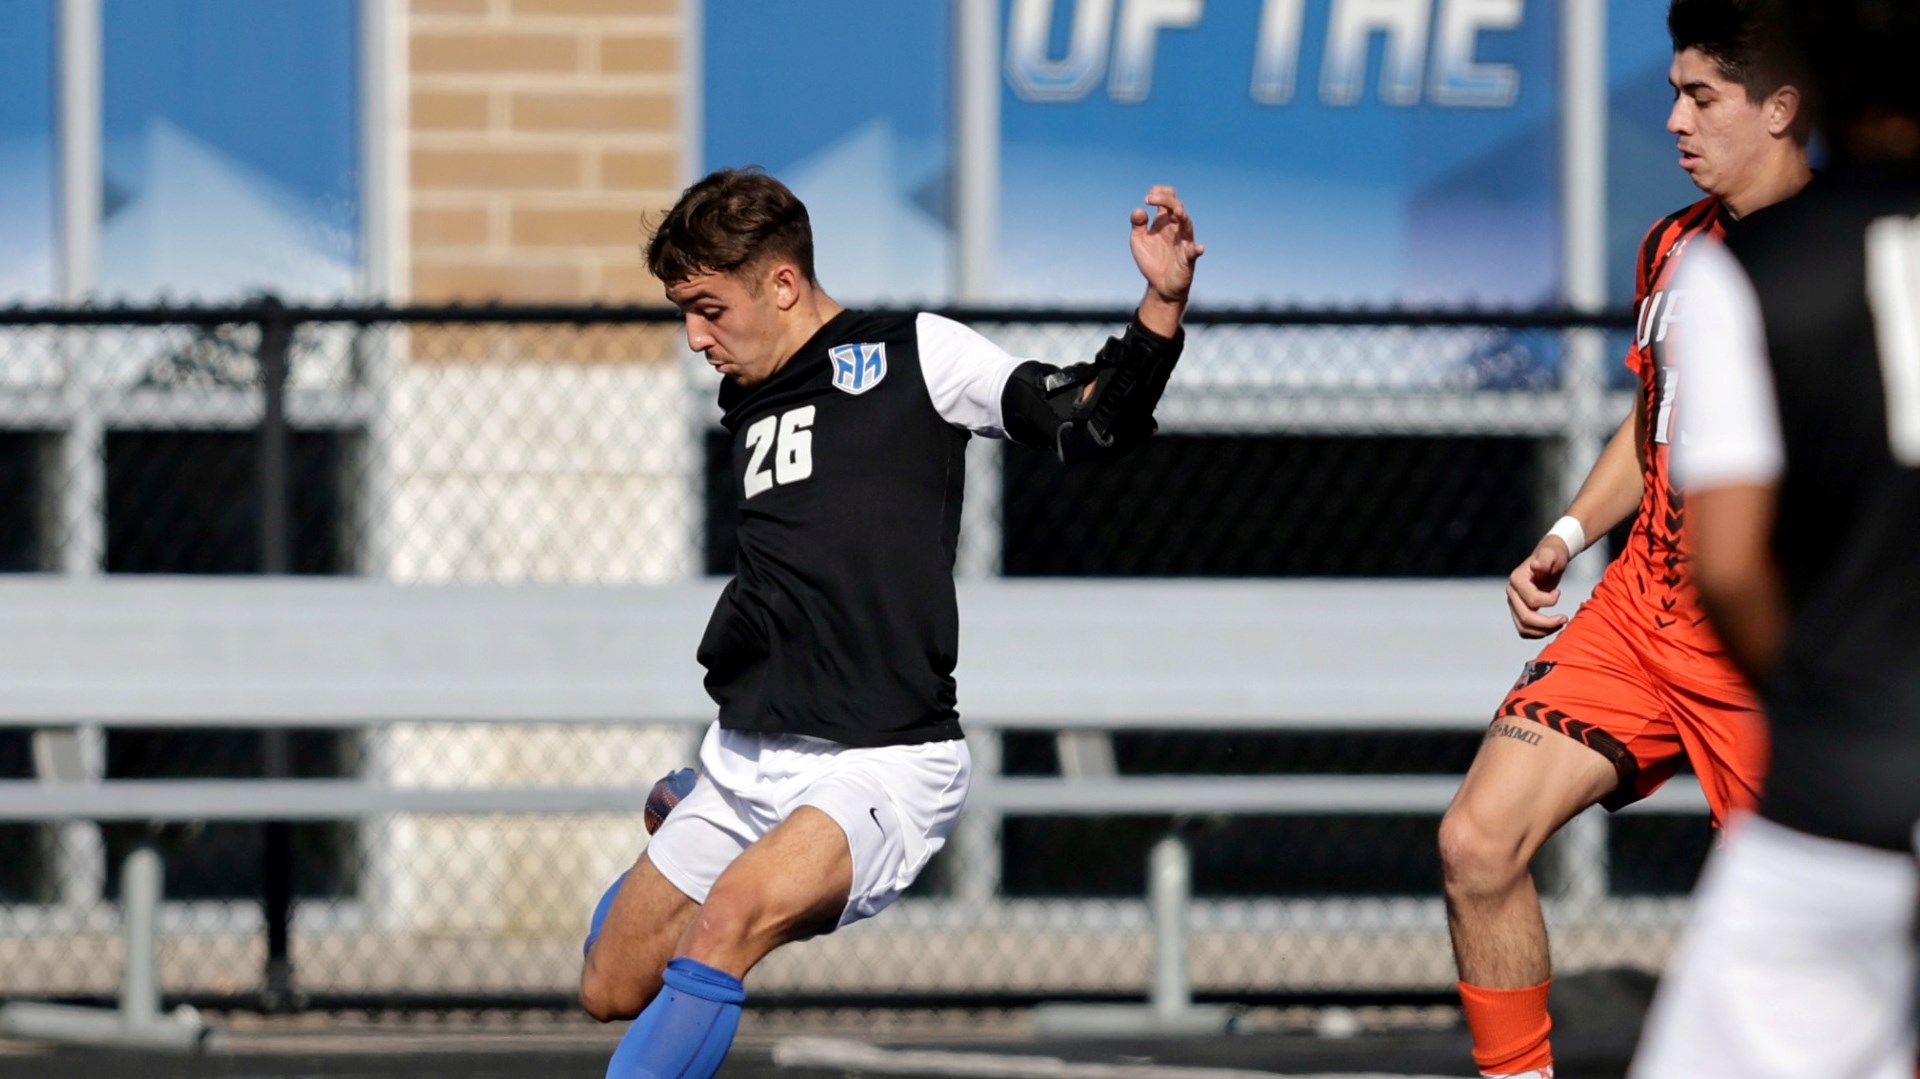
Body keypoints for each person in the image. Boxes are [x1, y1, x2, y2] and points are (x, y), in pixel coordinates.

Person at [575, 167, 1203, 1079]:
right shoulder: (745, 392)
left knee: (727, 924)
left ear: (782, 283)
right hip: (745, 758)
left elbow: (1087, 422)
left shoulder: (916, 354)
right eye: (683, 309)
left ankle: (738, 846)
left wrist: (1159, 304)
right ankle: (689, 805)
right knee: (609, 986)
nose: (694, 336)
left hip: (880, 761)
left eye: (708, 307)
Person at [1434, 3, 1810, 1075]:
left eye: (1703, 97)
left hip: (1767, 642)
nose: (1675, 121)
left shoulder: (1842, 263)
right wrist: (1564, 532)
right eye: (1672, 92)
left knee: (1809, 953)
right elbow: (1656, 427)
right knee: (1475, 842)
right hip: (1640, 618)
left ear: (1781, 108)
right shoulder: (1673, 247)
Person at [1630, 2, 1920, 1074]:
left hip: (1851, 785)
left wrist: (1807, 699)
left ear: (1813, 92)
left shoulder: (1748, 270)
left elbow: (1731, 561)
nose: (1677, 120)